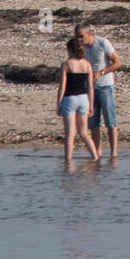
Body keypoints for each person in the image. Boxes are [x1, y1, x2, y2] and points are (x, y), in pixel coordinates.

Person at [74, 22, 122, 159]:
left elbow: (117, 62)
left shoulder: (102, 43)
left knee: (110, 120)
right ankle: (98, 152)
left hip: (105, 86)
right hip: (88, 88)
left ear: (89, 34)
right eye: (76, 37)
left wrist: (102, 72)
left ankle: (113, 152)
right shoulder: (80, 47)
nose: (78, 40)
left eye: (80, 36)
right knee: (93, 121)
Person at [56, 35, 100, 163]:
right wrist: (91, 105)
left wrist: (58, 104)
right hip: (83, 99)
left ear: (70, 50)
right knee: (84, 133)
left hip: (70, 99)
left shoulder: (66, 64)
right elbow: (90, 87)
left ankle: (68, 161)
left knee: (70, 134)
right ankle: (95, 157)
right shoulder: (87, 64)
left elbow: (62, 87)